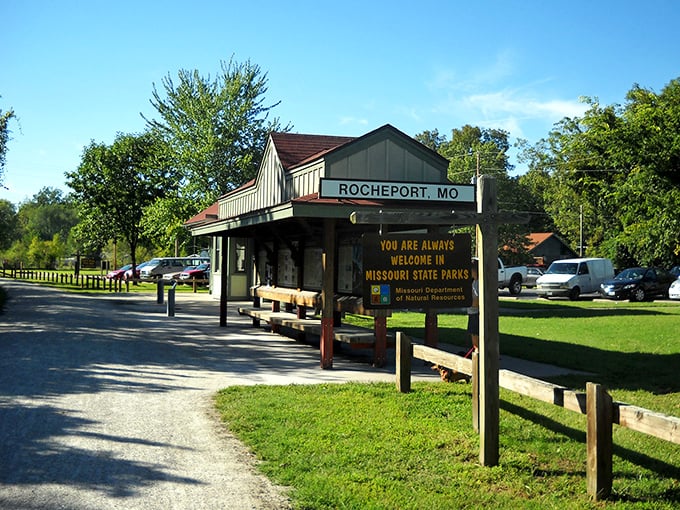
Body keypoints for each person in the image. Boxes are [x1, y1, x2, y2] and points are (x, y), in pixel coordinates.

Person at [467, 258, 479, 352]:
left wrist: (466, 301)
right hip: (472, 312)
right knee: (473, 334)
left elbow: (478, 302)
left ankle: (478, 354)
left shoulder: (479, 283)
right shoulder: (474, 282)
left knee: (475, 335)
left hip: (476, 313)